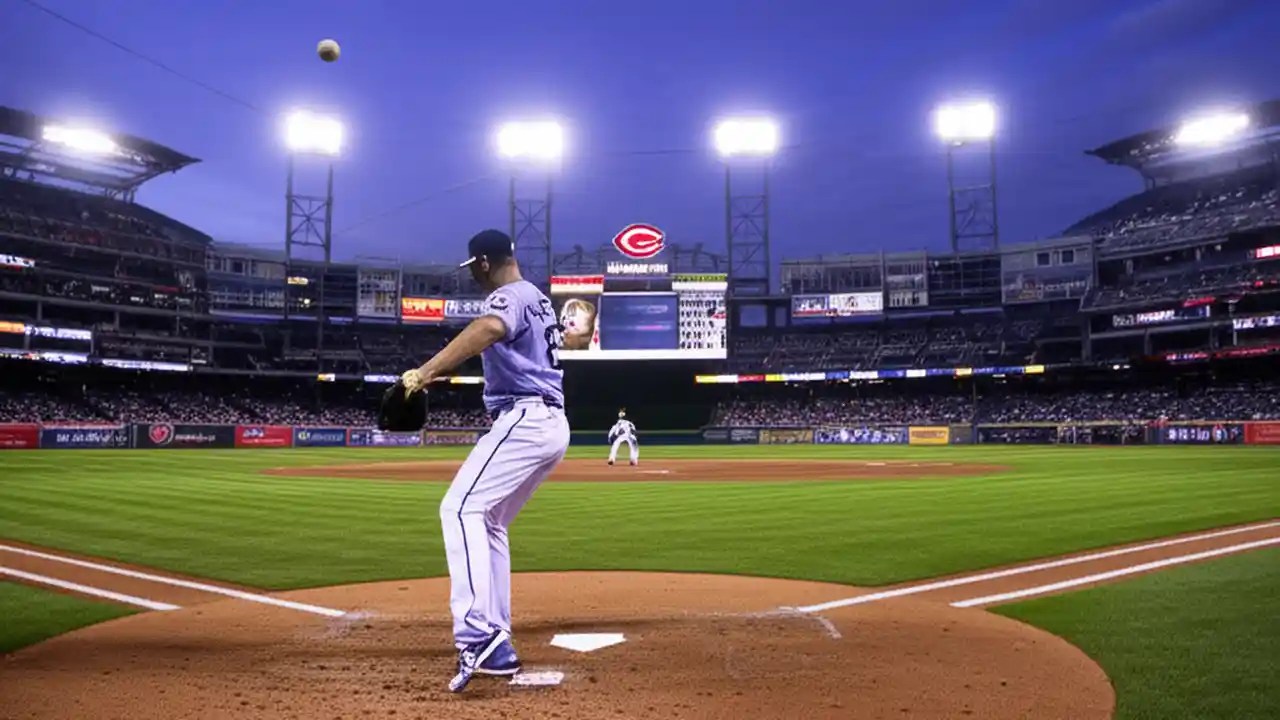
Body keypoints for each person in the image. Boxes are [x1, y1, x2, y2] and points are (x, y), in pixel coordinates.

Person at [400, 229, 569, 693]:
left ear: (481, 263)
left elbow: (489, 328)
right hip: (549, 423)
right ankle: (497, 637)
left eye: (473, 268)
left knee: (459, 508)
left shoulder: (508, 297)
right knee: (490, 521)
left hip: (526, 417)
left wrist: (426, 371)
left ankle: (479, 635)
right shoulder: (537, 296)